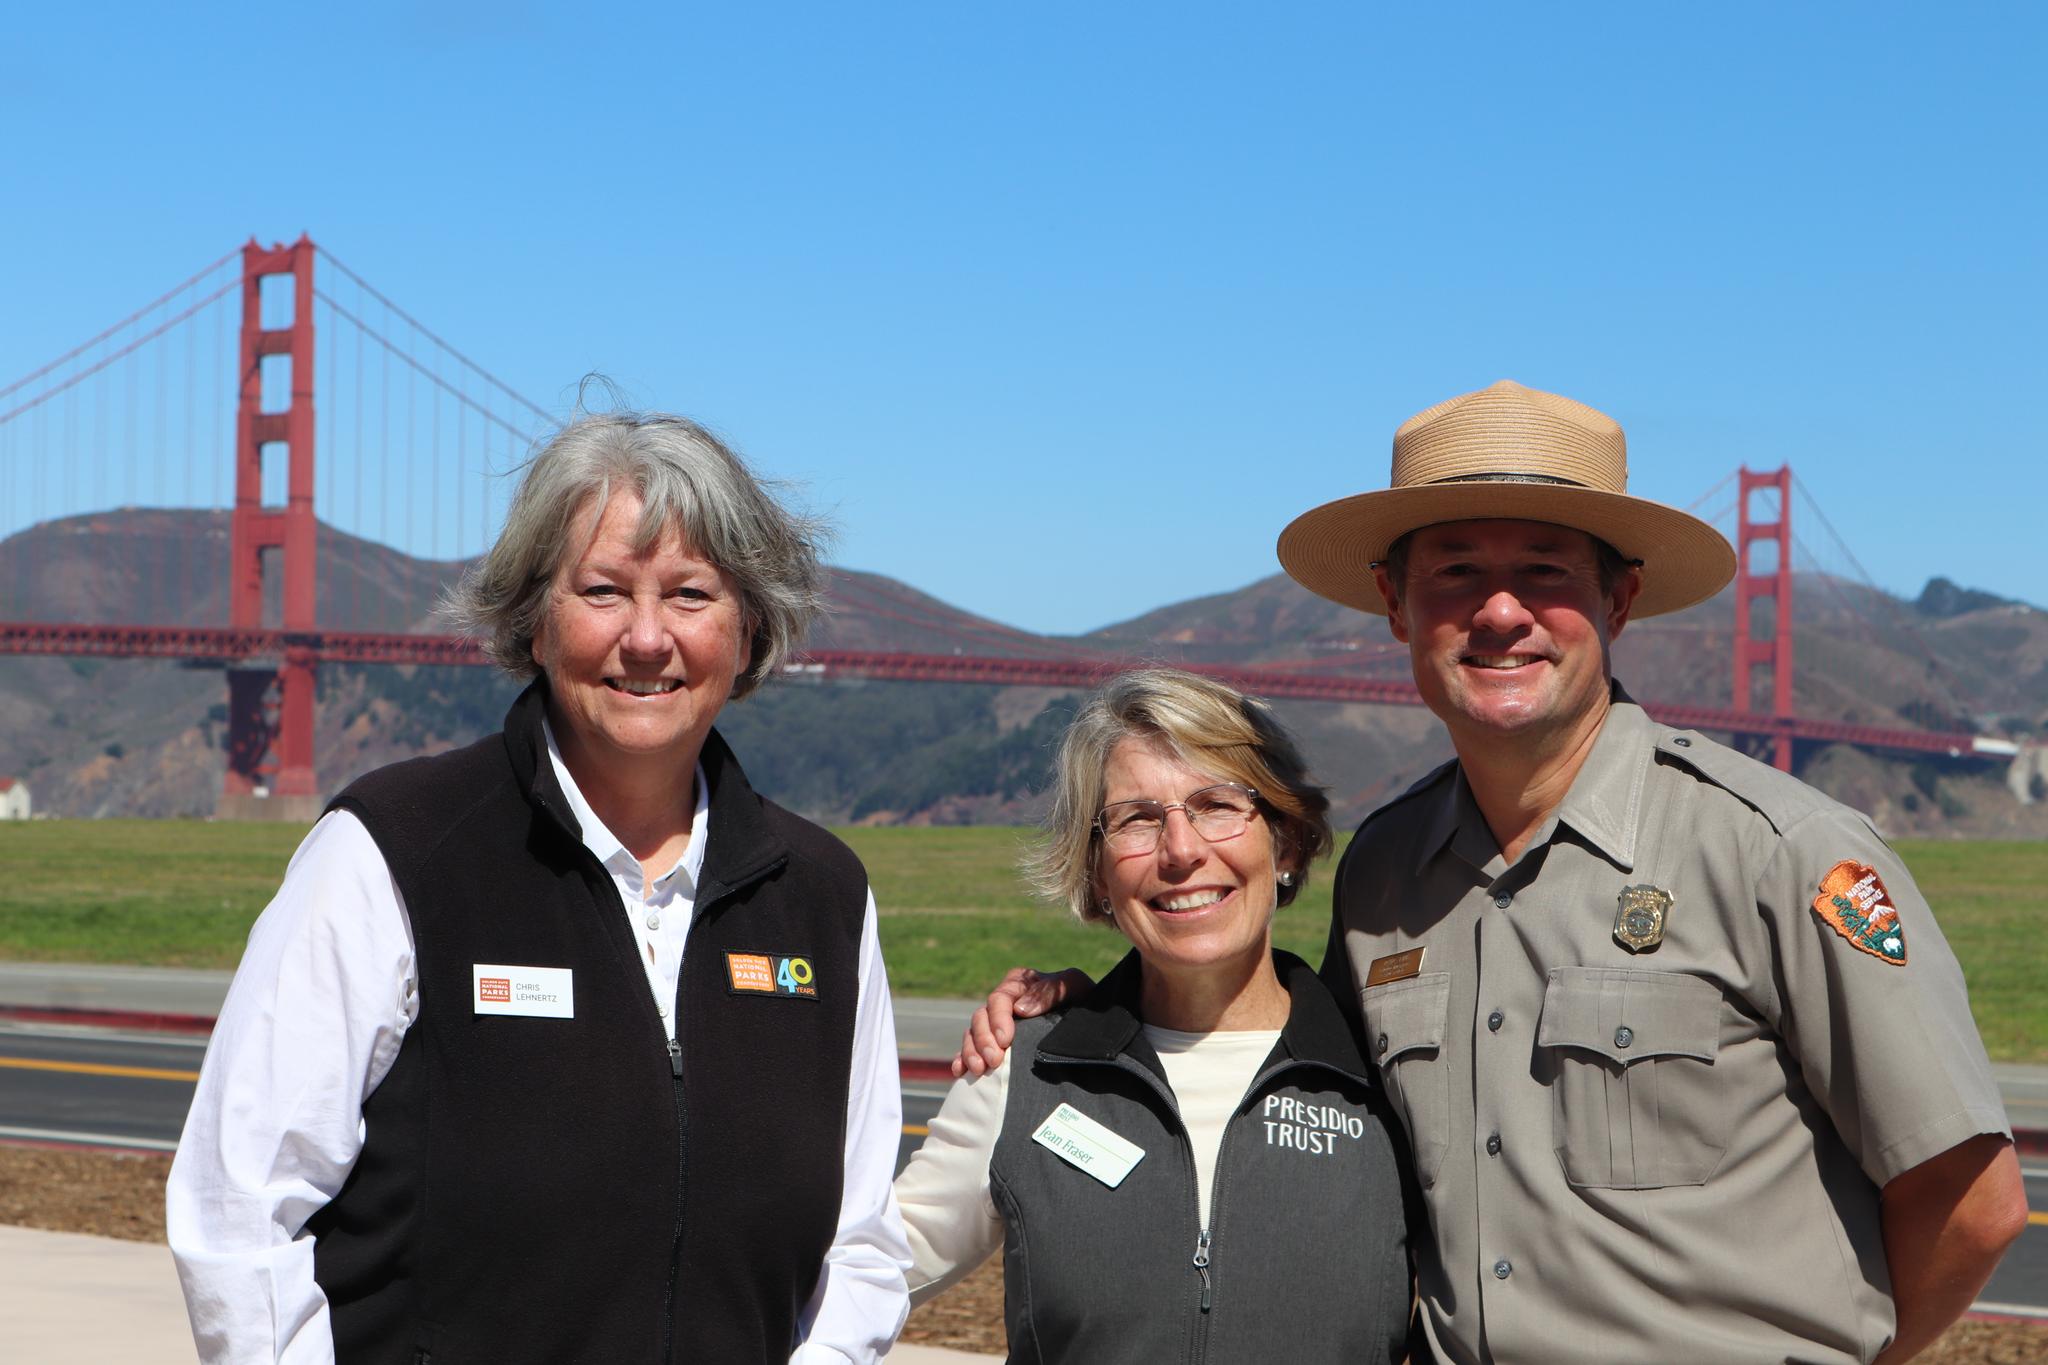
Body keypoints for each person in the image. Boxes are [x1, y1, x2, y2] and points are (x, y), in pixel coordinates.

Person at [957, 380, 2028, 1364]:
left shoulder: (1778, 851)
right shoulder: (1385, 873)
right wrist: (1078, 1012)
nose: (1500, 611)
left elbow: (1968, 1203)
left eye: (1545, 573)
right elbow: (1291, 1064)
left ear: (1618, 602)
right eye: (1457, 572)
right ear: (1393, 603)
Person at [168, 410, 911, 1363]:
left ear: (750, 623)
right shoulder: (394, 852)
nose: (647, 638)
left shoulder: (825, 897)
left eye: (691, 593)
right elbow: (237, 1212)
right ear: (533, 616)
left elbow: (862, 1241)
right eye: (602, 589)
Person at [896, 669, 1412, 1363]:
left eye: (1218, 803)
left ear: (1285, 842)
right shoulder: (1026, 1072)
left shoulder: (1391, 1072)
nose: (1182, 850)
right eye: (1139, 818)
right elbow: (854, 1275)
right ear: (1099, 874)